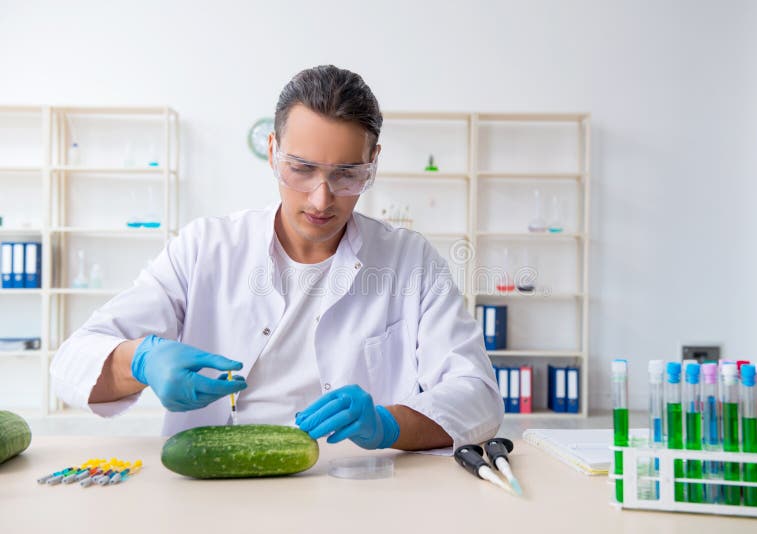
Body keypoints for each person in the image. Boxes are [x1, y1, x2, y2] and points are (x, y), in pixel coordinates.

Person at [51, 65, 503, 452]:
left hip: (357, 489)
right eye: (301, 169)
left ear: (373, 164)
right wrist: (140, 362)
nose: (321, 198)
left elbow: (478, 395)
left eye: (347, 175)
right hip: (215, 485)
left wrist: (389, 424)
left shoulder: (409, 260)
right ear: (272, 152)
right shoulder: (206, 249)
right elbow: (72, 360)